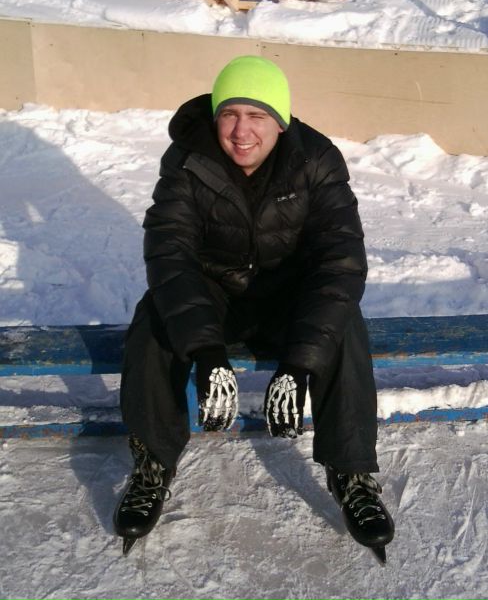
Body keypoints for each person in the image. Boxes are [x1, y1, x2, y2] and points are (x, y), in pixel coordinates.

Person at [112, 55, 395, 560]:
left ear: (280, 122)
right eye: (230, 114)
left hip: (287, 299)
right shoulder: (187, 158)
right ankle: (153, 462)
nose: (241, 131)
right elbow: (170, 254)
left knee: (342, 319)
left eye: (257, 116)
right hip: (215, 295)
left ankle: (351, 472)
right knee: (156, 313)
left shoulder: (316, 160)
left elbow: (341, 262)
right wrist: (204, 350)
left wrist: (300, 363)